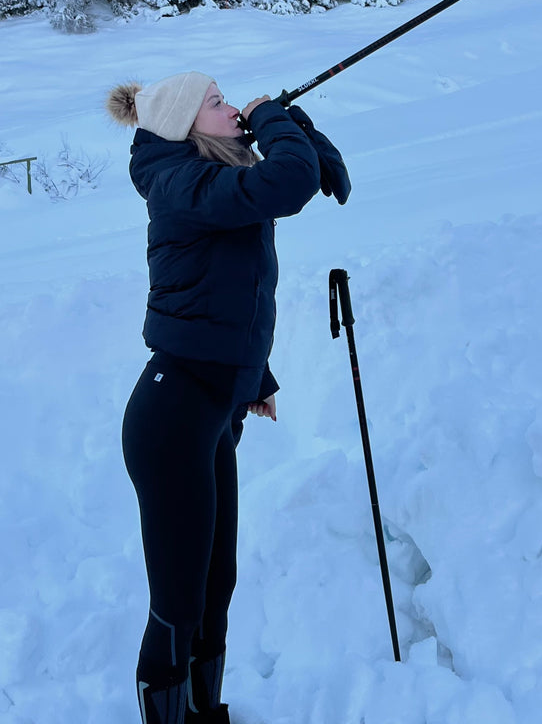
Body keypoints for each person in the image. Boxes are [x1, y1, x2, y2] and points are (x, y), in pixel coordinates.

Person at [106, 72, 349, 724]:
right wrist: (272, 117)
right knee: (177, 600)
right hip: (172, 417)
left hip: (211, 407)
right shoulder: (181, 185)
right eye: (216, 102)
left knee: (215, 587)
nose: (230, 105)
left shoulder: (209, 182)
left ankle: (203, 713)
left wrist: (255, 378)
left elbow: (227, 297)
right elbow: (286, 184)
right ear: (188, 125)